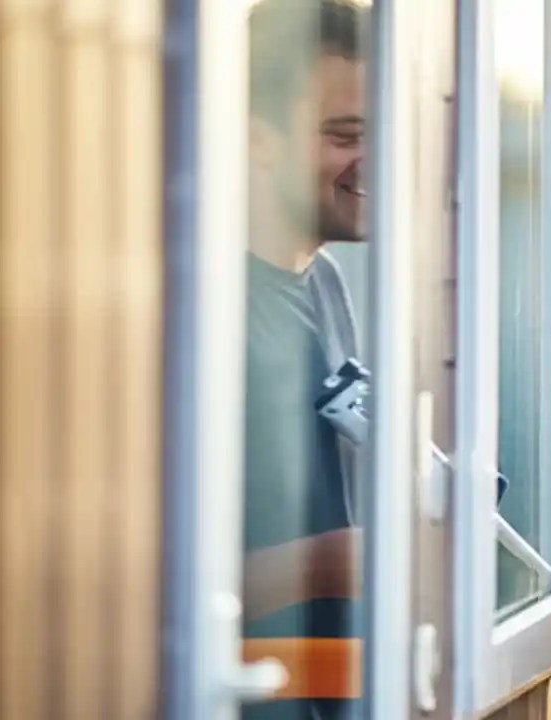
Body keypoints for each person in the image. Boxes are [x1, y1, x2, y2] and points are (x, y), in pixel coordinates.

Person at [240, 0, 369, 717]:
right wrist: (323, 563)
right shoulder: (185, 315)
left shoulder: (326, 281)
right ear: (257, 139)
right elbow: (116, 596)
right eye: (346, 135)